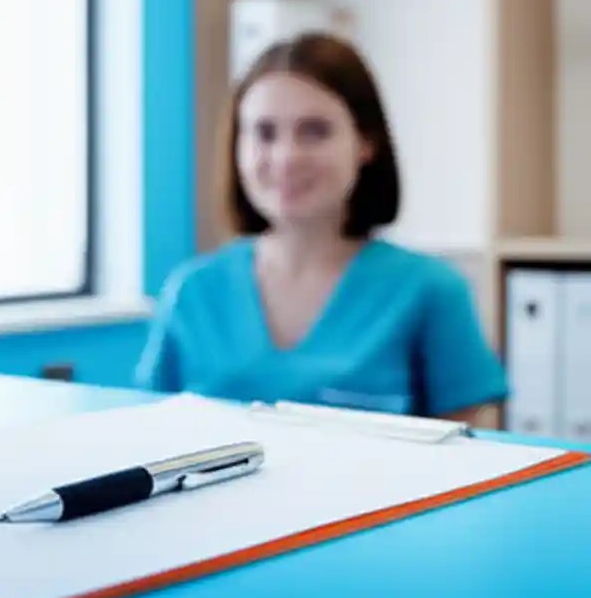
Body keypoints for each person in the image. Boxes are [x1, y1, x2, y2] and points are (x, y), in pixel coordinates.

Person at [135, 32, 505, 427]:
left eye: (314, 131)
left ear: (366, 142)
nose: (286, 157)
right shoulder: (192, 292)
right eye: (264, 133)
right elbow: (152, 437)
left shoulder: (432, 291)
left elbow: (472, 454)